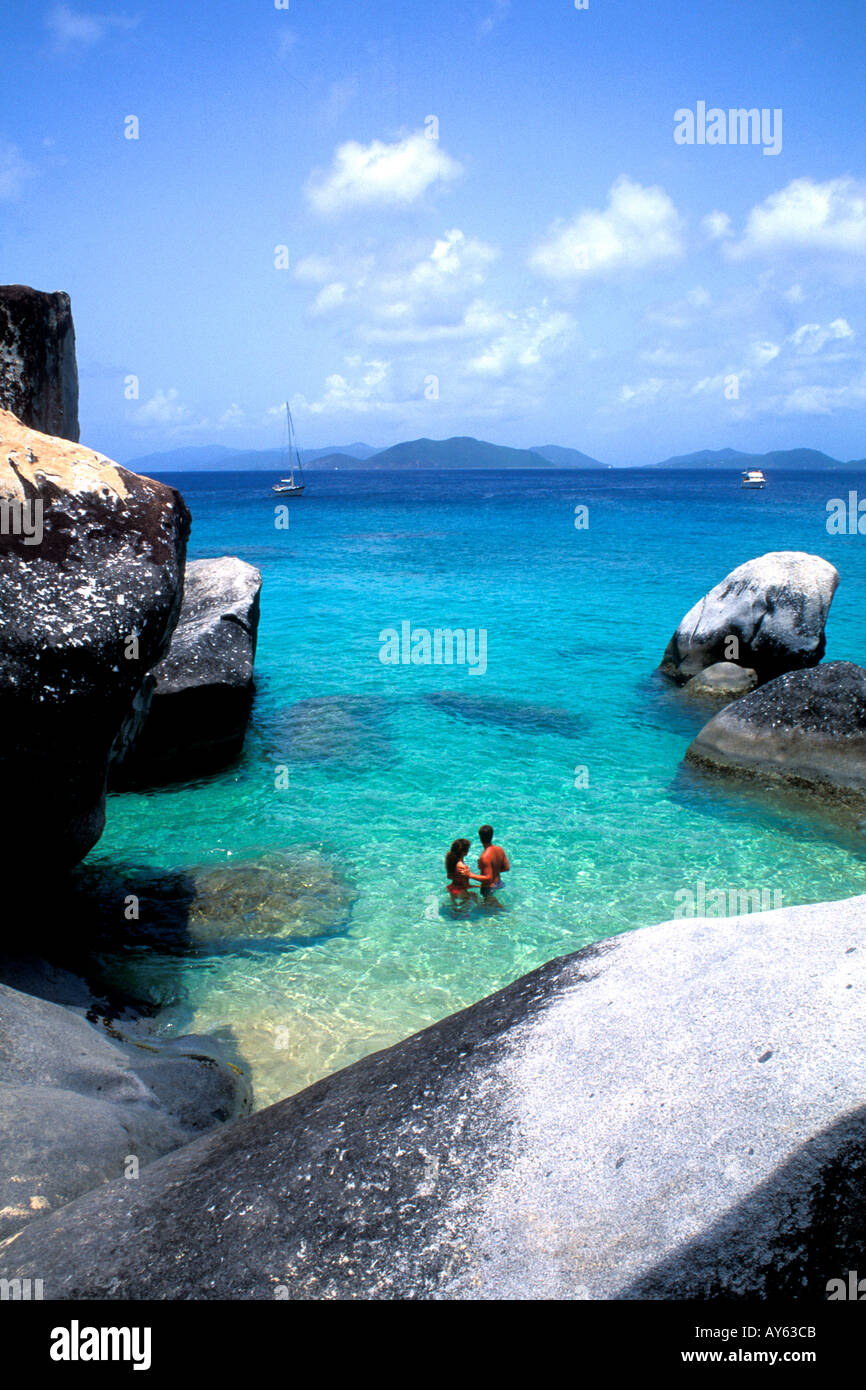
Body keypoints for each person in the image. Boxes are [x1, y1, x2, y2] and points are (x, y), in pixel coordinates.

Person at [477, 825, 509, 898]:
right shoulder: (499, 849)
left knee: (488, 906)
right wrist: (493, 871)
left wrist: (469, 875)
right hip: (499, 883)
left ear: (480, 838)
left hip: (489, 887)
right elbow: (507, 868)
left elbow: (488, 878)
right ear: (492, 836)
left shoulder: (485, 856)